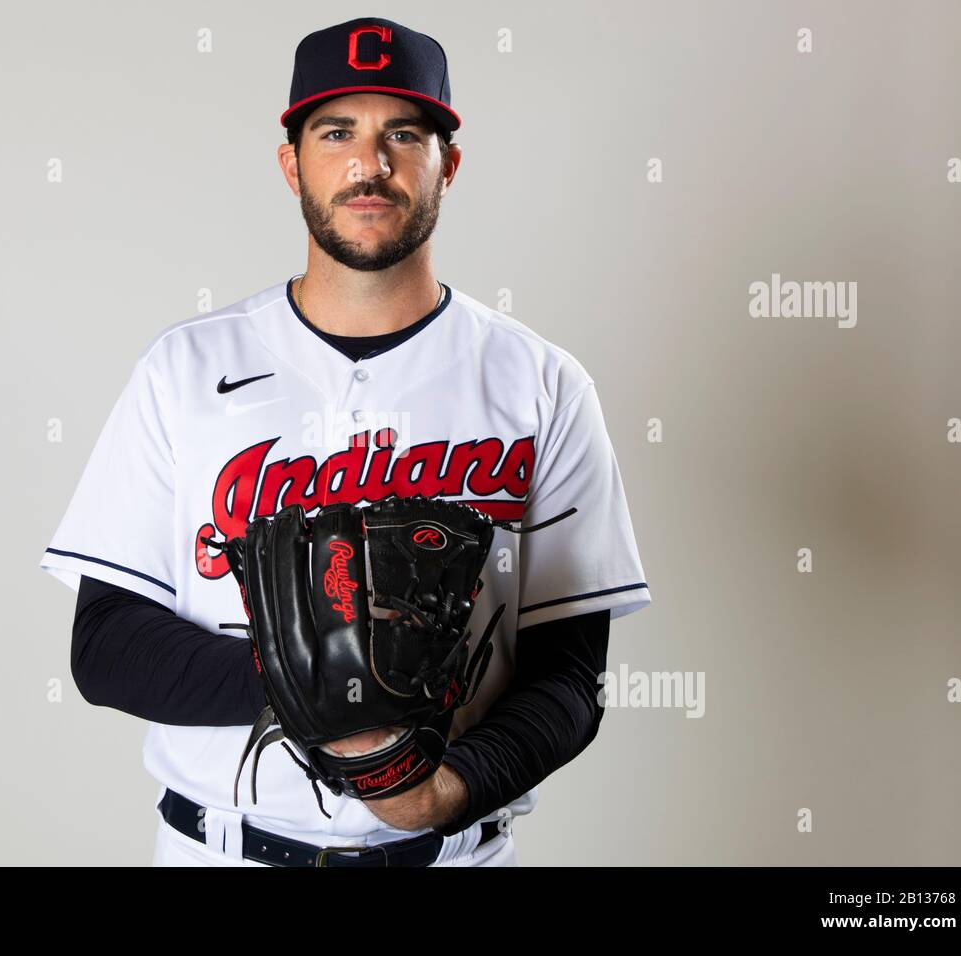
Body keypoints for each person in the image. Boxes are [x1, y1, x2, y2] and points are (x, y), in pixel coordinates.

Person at [40, 16, 651, 867]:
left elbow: (571, 676)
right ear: (292, 163)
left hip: (452, 854)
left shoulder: (541, 384)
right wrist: (318, 681)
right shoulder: (183, 369)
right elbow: (104, 647)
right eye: (338, 133)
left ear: (450, 164)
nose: (372, 164)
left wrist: (445, 789)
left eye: (404, 133)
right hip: (225, 854)